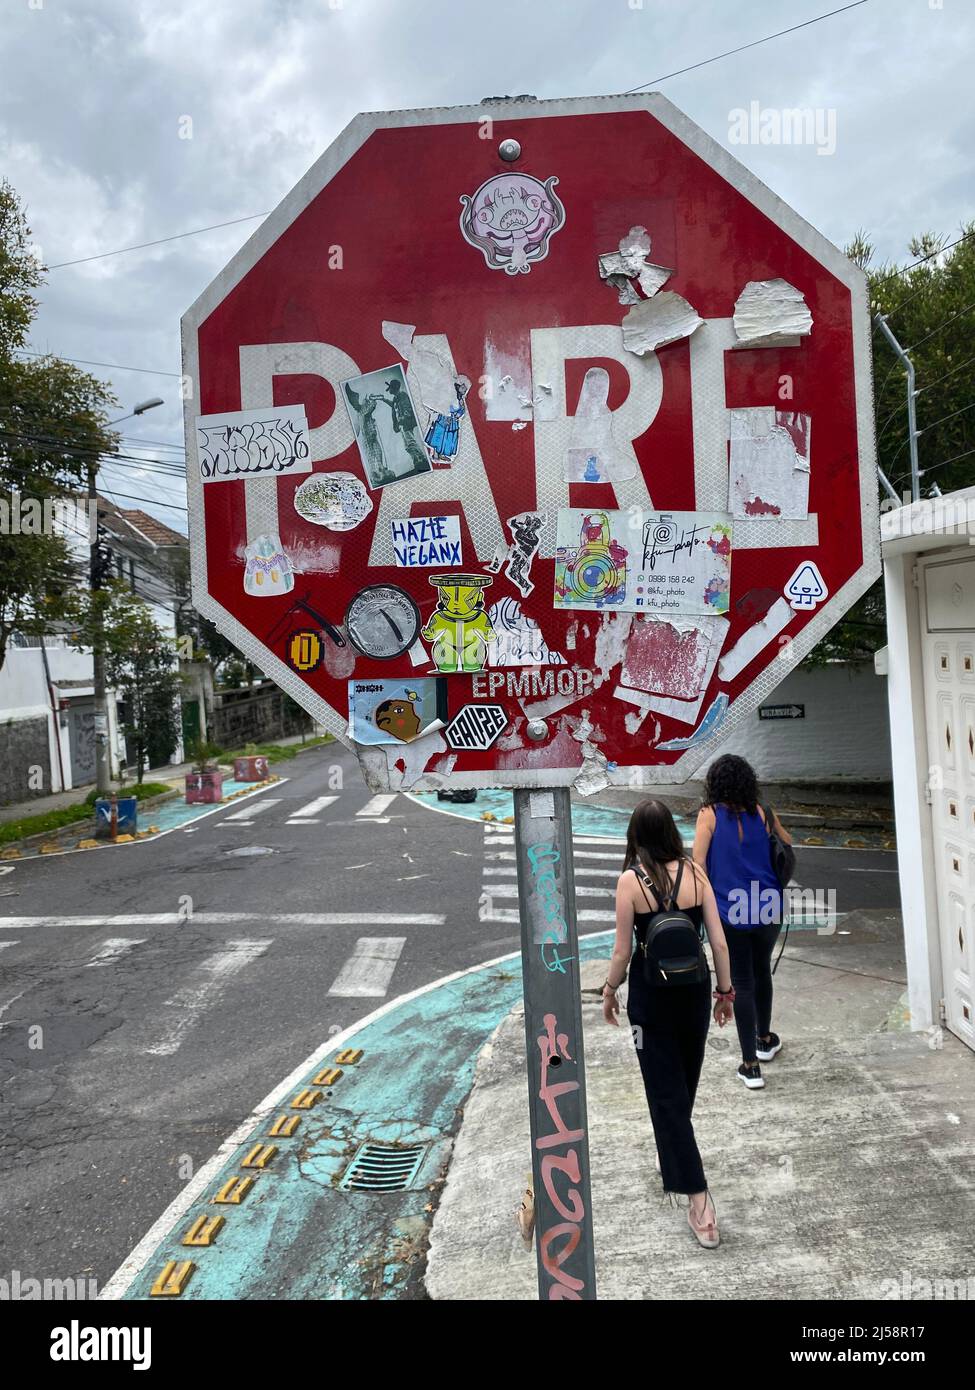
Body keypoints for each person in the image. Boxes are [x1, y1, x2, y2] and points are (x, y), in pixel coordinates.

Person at [603, 799, 734, 1248]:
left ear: (635, 835)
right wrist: (725, 993)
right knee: (681, 1087)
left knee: (665, 1094)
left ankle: (698, 1198)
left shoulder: (629, 882)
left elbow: (622, 951)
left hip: (650, 998)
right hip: (694, 992)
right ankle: (675, 1157)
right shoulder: (696, 874)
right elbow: (718, 941)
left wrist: (608, 989)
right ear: (673, 834)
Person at [692, 754, 793, 1091]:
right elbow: (788, 844)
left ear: (715, 783)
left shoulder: (709, 816)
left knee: (742, 981)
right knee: (762, 970)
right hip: (766, 903)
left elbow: (698, 864)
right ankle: (765, 1039)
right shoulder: (763, 813)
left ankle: (750, 1065)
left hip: (728, 908)